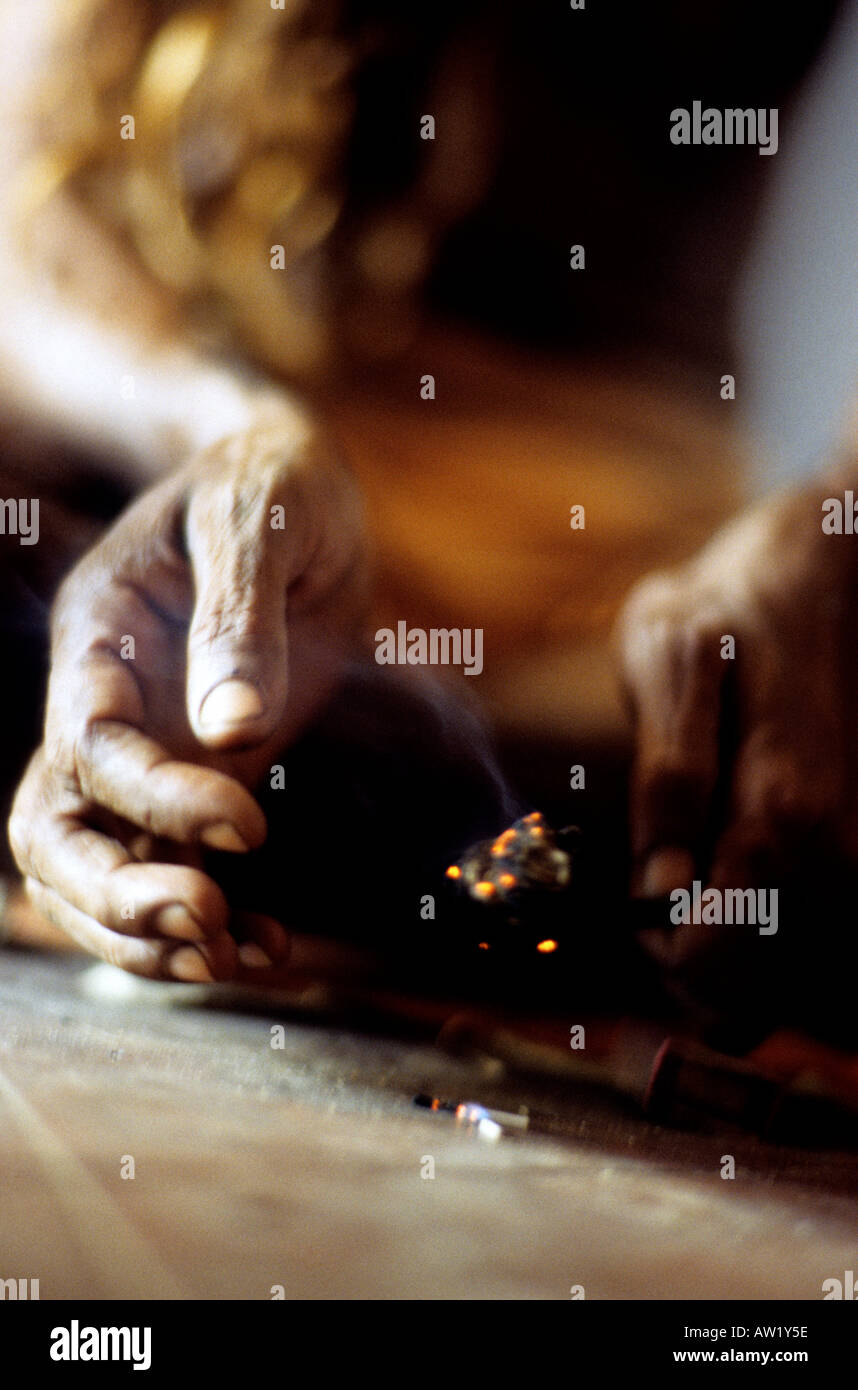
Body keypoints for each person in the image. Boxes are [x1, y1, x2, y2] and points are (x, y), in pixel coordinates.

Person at [0, 0, 855, 1017]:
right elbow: (28, 209)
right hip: (168, 498)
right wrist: (234, 437)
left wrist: (836, 538)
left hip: (602, 635)